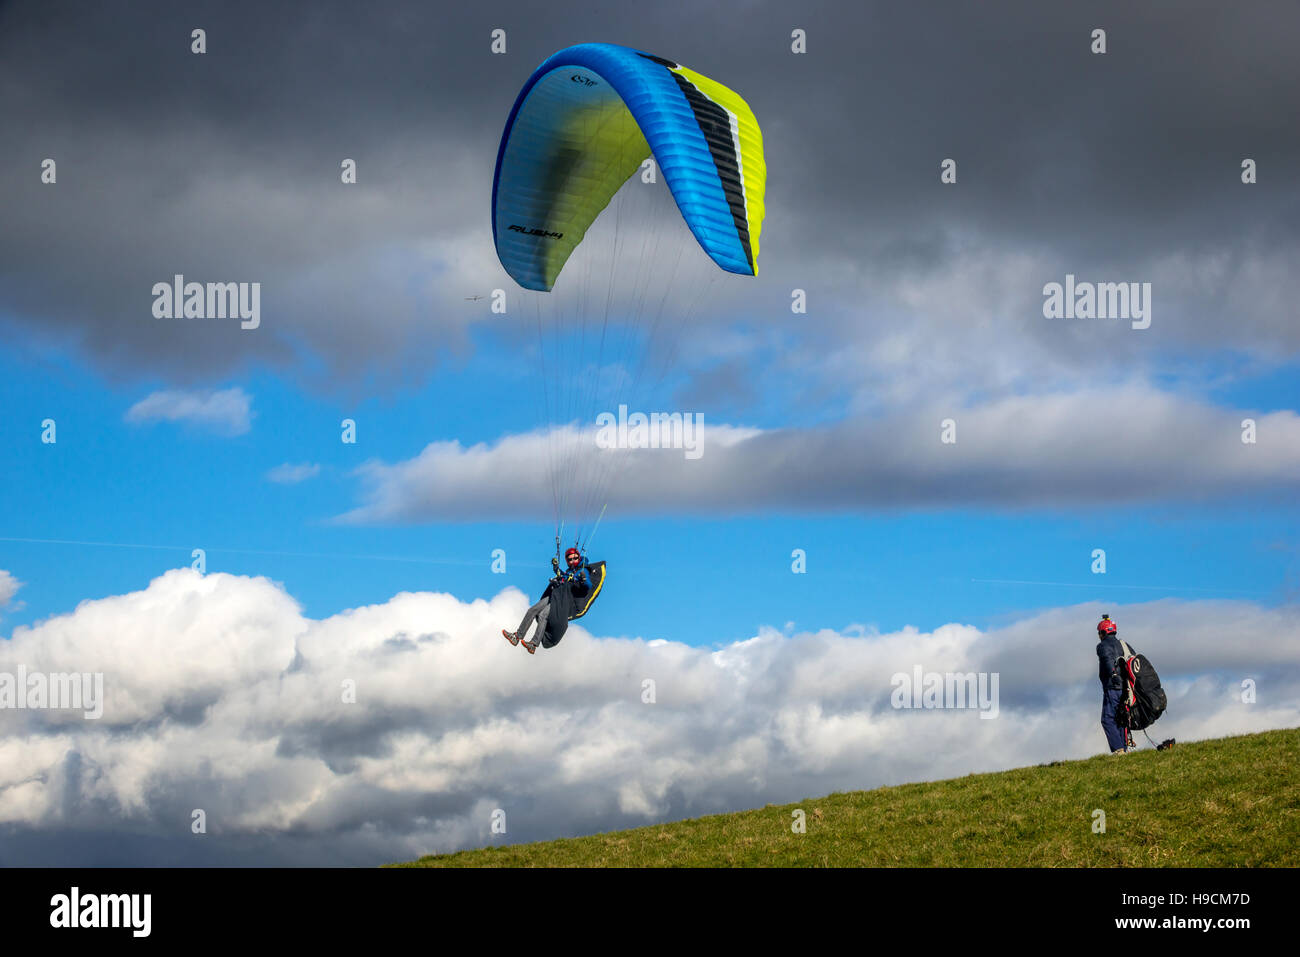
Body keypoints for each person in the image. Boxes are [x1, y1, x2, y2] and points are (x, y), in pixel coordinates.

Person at [503, 547, 599, 654]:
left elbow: (588, 586)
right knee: (532, 610)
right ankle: (517, 636)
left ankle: (533, 644)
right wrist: (556, 567)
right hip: (555, 593)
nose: (572, 561)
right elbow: (563, 576)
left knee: (543, 614)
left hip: (561, 600)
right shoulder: (570, 571)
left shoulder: (583, 570)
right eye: (570, 559)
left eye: (575, 558)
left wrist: (583, 579)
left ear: (579, 558)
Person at [1096, 614, 1135, 754]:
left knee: (1107, 719)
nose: (1099, 635)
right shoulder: (1124, 644)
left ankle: (1119, 750)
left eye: (1099, 632)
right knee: (1121, 717)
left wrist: (1113, 675)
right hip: (1127, 688)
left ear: (1103, 632)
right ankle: (1123, 748)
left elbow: (1107, 660)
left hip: (1112, 687)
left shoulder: (1102, 646)